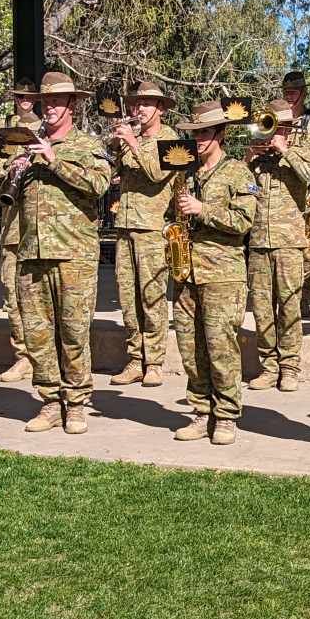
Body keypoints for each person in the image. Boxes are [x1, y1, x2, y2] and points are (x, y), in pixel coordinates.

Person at [13, 71, 113, 435]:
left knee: (73, 333)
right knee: (38, 335)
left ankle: (77, 403)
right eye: (46, 101)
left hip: (73, 254)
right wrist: (13, 169)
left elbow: (99, 185)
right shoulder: (27, 143)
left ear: (72, 104)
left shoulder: (87, 145)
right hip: (31, 252)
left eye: (57, 101)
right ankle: (50, 402)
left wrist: (53, 159)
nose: (50, 107)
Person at [170, 101, 259, 444]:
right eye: (195, 134)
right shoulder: (186, 173)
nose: (199, 140)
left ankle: (225, 415)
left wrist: (202, 209)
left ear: (220, 133)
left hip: (222, 273)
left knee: (221, 347)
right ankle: (200, 410)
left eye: (205, 133)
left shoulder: (239, 172)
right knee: (191, 348)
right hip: (186, 272)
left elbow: (243, 221)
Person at [108, 78, 180, 387]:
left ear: (161, 108)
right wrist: (115, 147)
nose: (139, 108)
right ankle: (135, 358)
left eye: (147, 103)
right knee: (128, 298)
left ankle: (156, 362)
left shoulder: (170, 139)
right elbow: (113, 175)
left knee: (152, 297)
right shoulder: (130, 138)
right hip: (125, 225)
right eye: (136, 103)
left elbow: (156, 174)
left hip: (152, 228)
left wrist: (135, 145)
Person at [245, 102, 310, 391]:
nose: (275, 130)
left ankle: (290, 367)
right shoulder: (259, 155)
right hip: (259, 241)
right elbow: (246, 190)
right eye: (273, 124)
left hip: (290, 242)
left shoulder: (304, 147)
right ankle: (269, 366)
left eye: (281, 125)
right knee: (262, 310)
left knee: (289, 308)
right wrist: (249, 159)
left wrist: (285, 149)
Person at [0, 119, 32, 382]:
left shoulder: (51, 140)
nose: (24, 101)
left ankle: (48, 357)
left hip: (44, 235)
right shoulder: (2, 140)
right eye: (18, 97)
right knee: (13, 299)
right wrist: (8, 169)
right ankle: (23, 357)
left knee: (44, 302)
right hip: (12, 233)